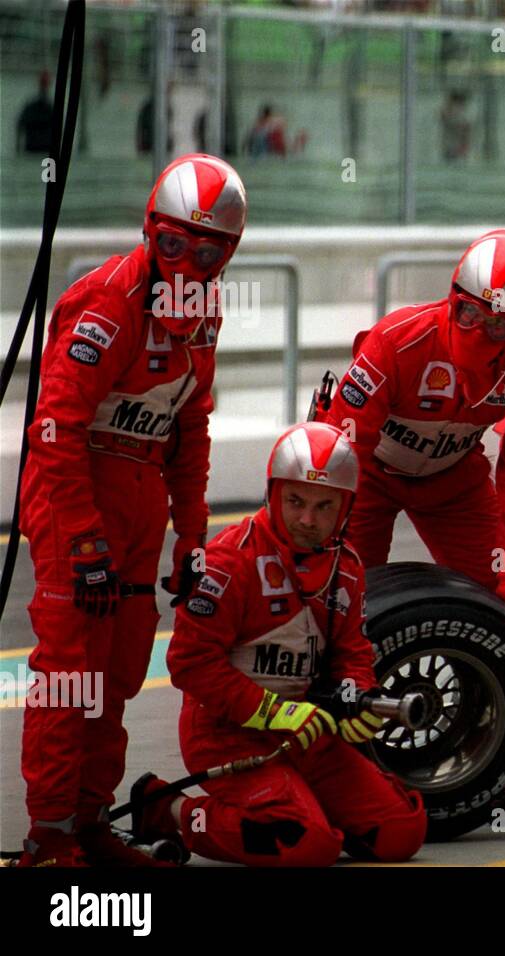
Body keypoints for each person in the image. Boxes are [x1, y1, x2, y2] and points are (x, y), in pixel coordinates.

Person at [17, 154, 247, 867]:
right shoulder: (109, 303)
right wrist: (83, 538)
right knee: (69, 675)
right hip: (75, 493)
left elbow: (193, 425)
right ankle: (49, 836)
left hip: (143, 498)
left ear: (226, 255)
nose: (185, 262)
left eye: (205, 251)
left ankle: (90, 823)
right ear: (150, 231)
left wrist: (192, 532)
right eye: (172, 244)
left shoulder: (205, 313)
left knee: (115, 676)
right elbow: (53, 428)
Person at [323, 229, 505, 830]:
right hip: (367, 477)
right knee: (334, 609)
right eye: (467, 310)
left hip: (456, 481)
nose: (478, 329)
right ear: (453, 295)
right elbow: (338, 453)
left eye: (498, 324)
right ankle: (328, 769)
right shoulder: (396, 341)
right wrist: (325, 548)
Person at [131, 423, 426, 866]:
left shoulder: (347, 568)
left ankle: (304, 802)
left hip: (309, 732)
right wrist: (274, 712)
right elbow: (190, 665)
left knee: (400, 833)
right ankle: (168, 809)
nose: (308, 519)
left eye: (324, 506)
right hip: (228, 736)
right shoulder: (228, 562)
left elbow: (352, 653)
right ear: (273, 494)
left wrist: (357, 699)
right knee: (304, 845)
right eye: (295, 502)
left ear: (347, 508)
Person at [15, 71, 54, 156]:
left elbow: (20, 125)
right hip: (37, 149)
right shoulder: (46, 108)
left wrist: (17, 148)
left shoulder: (47, 108)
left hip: (37, 149)